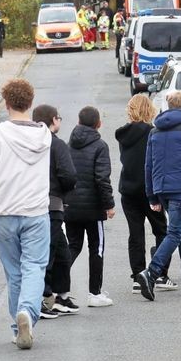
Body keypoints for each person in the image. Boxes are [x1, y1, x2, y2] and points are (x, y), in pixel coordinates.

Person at [0, 79, 52, 349]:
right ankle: (27, 313)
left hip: (5, 212)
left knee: (14, 271)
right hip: (36, 212)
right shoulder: (45, 136)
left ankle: (16, 323)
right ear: (31, 102)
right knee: (34, 267)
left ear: (5, 103)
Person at [134, 90, 181, 300]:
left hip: (162, 188)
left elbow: (148, 165)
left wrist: (152, 195)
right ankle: (151, 273)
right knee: (176, 232)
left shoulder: (155, 131)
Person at [115, 95, 175, 293]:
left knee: (136, 233)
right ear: (150, 110)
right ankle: (159, 274)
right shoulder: (153, 132)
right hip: (151, 188)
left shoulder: (123, 135)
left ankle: (137, 274)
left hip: (129, 188)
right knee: (161, 230)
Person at [64, 106, 117, 307]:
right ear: (99, 124)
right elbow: (102, 178)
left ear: (78, 122)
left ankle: (55, 286)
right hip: (93, 208)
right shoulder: (100, 146)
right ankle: (94, 293)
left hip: (71, 205)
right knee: (97, 248)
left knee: (73, 246)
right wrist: (109, 205)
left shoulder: (69, 144)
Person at [33, 104, 78, 318]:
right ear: (53, 120)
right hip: (52, 204)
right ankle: (41, 299)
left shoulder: (29, 141)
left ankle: (60, 295)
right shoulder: (56, 144)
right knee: (47, 253)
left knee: (62, 252)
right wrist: (66, 191)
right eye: (59, 117)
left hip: (33, 202)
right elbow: (68, 175)